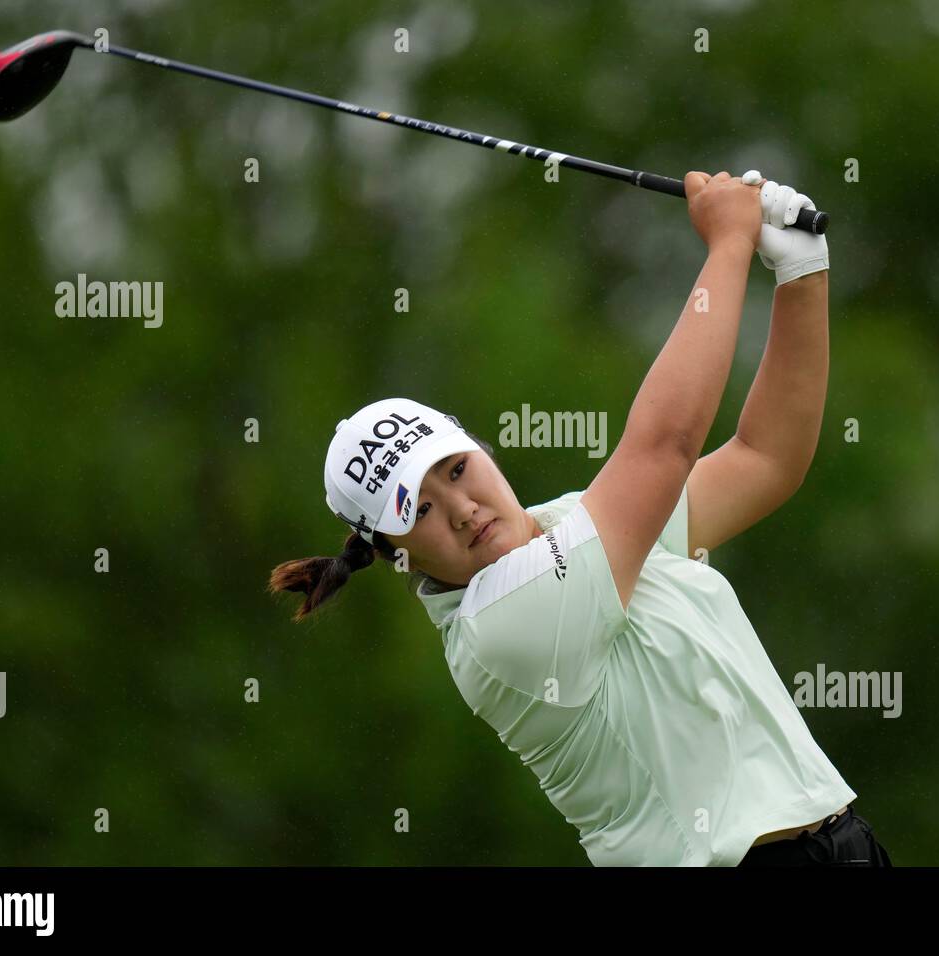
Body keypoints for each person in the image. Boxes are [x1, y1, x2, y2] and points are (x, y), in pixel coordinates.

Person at [269, 170, 892, 866]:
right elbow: (664, 446)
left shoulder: (579, 523)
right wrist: (728, 243)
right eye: (419, 511)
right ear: (392, 551)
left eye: (454, 470)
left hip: (844, 845)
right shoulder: (498, 624)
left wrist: (802, 270)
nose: (463, 509)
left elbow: (764, 458)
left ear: (478, 447)